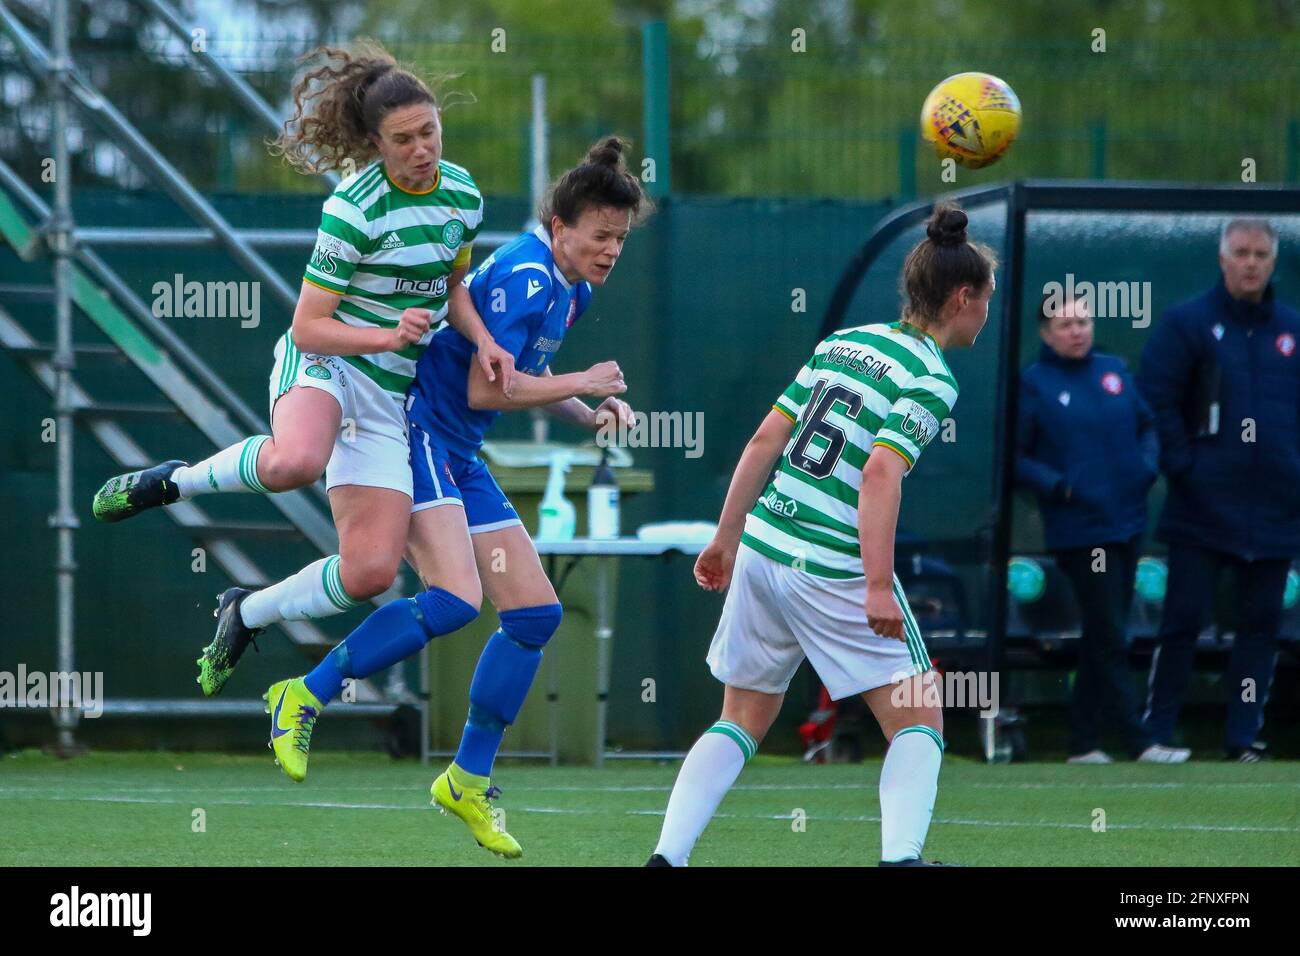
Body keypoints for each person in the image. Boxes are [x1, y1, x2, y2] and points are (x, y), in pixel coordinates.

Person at [259, 138, 647, 861]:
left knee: (534, 613)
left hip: (459, 452)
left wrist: (586, 411)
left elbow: (525, 370)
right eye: (601, 236)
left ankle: (467, 778)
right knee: (454, 601)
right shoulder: (530, 276)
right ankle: (304, 693)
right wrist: (581, 385)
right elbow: (479, 387)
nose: (611, 250)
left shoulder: (572, 286)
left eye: (620, 239)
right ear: (560, 227)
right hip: (419, 436)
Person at [88, 42, 514, 696]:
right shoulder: (354, 207)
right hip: (326, 359)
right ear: (376, 142)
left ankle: (247, 611)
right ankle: (175, 482)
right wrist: (385, 333)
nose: (422, 148)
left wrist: (483, 338)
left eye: (429, 132)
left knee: (371, 573)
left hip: (387, 393)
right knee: (295, 462)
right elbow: (307, 324)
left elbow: (450, 288)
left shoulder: (462, 196)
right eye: (404, 139)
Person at [646, 203, 992, 868]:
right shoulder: (928, 377)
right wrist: (878, 585)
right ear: (962, 297)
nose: (987, 311)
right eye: (987, 298)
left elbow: (764, 439)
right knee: (921, 717)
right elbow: (880, 476)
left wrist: (724, 537)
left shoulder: (842, 343)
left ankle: (667, 859)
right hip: (830, 564)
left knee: (741, 717)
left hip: (764, 546)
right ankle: (901, 863)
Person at [1138, 218, 1300, 762]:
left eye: (1261, 254)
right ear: (1222, 259)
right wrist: (1186, 467)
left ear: (1273, 262)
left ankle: (1242, 738)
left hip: (1276, 509)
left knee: (1259, 630)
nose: (1251, 262)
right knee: (1181, 623)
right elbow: (1155, 400)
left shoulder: (1292, 331)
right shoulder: (1188, 324)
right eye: (1241, 252)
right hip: (1200, 508)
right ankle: (1157, 734)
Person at [1016, 293, 1188, 764]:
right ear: (1046, 334)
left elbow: (1146, 425)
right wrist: (1062, 487)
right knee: (1112, 632)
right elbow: (1017, 459)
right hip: (1080, 530)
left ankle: (1082, 743)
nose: (1077, 331)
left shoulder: (1113, 370)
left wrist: (1146, 466)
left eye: (1083, 321)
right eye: (1066, 324)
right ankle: (1140, 740)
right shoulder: (1035, 384)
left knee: (1100, 632)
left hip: (1127, 521)